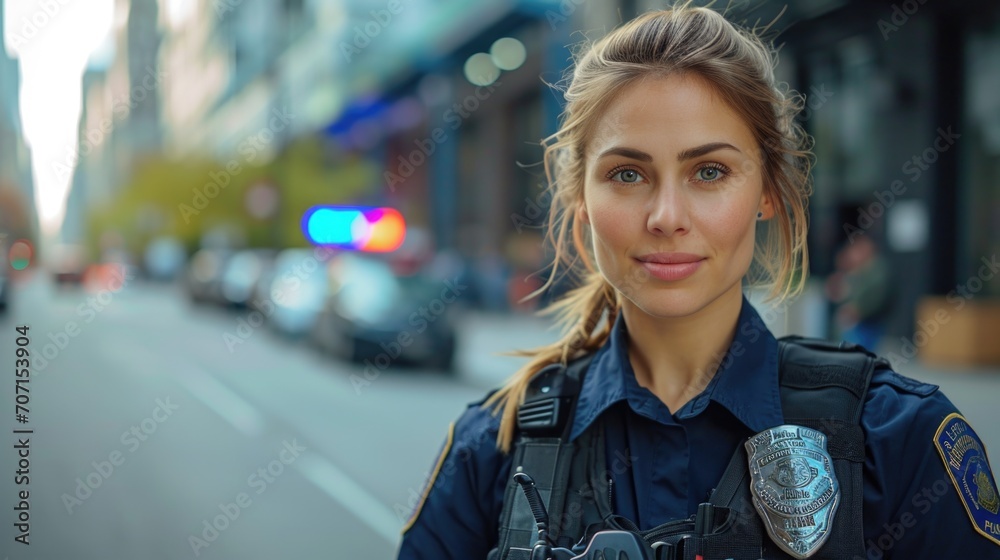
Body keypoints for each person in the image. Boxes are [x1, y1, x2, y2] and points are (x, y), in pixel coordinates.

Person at [397, 4, 1000, 559]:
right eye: (627, 174)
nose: (666, 217)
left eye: (709, 171)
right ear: (581, 198)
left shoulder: (897, 442)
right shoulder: (491, 450)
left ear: (766, 190)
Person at [825, 235, 891, 352]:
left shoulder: (876, 270)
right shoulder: (859, 270)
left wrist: (857, 309)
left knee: (860, 352)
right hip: (857, 322)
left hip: (867, 322)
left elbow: (876, 296)